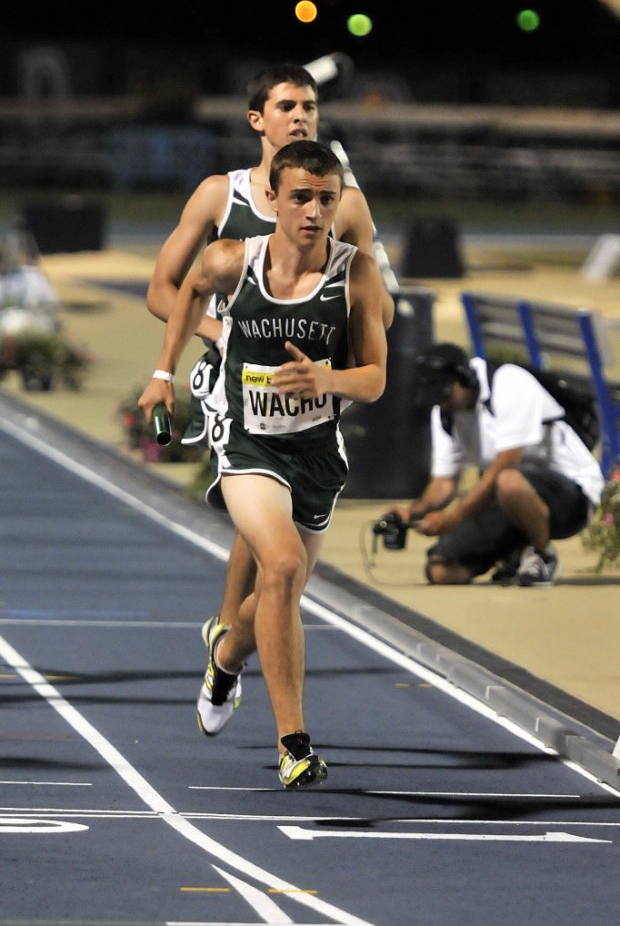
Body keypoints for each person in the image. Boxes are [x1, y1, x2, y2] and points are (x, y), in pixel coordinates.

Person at [145, 63, 395, 731]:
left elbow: (377, 312)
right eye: (287, 105)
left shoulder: (344, 203)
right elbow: (164, 290)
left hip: (312, 387)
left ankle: (228, 643)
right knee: (271, 538)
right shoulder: (219, 197)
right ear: (257, 119)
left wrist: (364, 306)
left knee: (280, 561)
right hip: (236, 386)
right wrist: (220, 333)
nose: (301, 116)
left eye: (309, 106)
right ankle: (238, 651)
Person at [388, 343, 604, 587]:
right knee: (440, 571)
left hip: (571, 496)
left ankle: (543, 555)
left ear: (465, 379)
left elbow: (506, 463)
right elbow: (444, 482)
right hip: (506, 501)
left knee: (508, 480)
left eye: (446, 393)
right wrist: (413, 512)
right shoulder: (445, 413)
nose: (443, 403)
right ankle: (513, 551)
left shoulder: (510, 383)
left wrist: (454, 517)